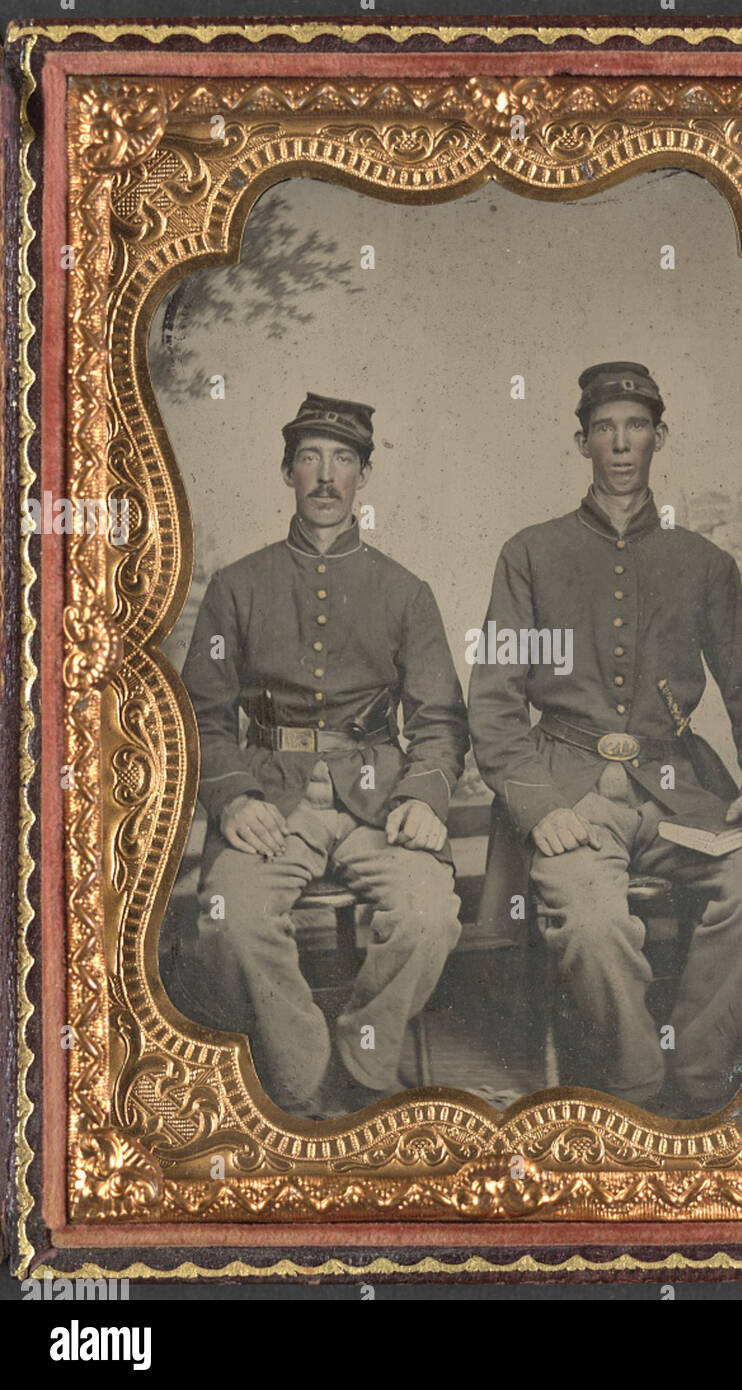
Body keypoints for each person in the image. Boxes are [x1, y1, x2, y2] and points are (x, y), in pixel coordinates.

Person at [468, 362, 742, 1117]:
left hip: (679, 791)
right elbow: (493, 702)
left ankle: (703, 1070)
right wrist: (537, 807)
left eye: (637, 426)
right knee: (588, 918)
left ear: (659, 437)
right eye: (606, 429)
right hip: (568, 794)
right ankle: (637, 1084)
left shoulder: (704, 563)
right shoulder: (531, 553)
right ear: (583, 441)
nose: (622, 444)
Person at [178, 392, 468, 1117]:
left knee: (430, 914)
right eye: (310, 458)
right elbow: (199, 718)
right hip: (270, 798)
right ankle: (305, 1083)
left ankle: (365, 1066)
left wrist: (424, 800)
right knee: (227, 917)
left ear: (364, 477)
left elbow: (438, 721)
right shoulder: (237, 587)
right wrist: (232, 796)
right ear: (287, 472)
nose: (326, 477)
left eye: (344, 461)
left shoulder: (406, 592)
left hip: (380, 802)